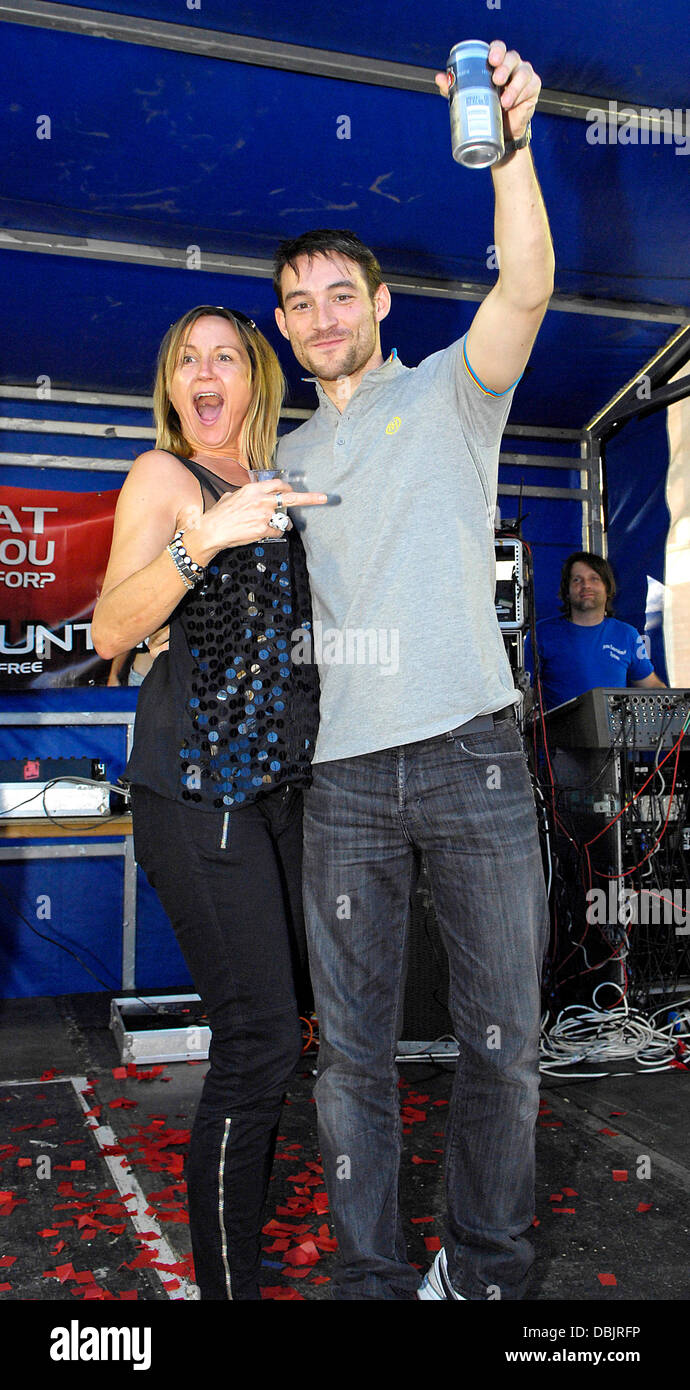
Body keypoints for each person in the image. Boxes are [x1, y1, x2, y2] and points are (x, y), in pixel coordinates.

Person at [272, 40, 553, 1300]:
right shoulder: (273, 456)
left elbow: (530, 285)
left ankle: (484, 1268)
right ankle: (377, 1279)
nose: (320, 316)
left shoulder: (450, 394)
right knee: (352, 1059)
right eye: (298, 303)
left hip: (473, 753)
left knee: (510, 1046)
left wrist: (517, 146)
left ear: (379, 303)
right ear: (285, 325)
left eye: (341, 293)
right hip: (344, 782)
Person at [92, 305, 327, 1300]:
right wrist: (200, 543)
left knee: (280, 1033)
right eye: (185, 356)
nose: (204, 370)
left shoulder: (273, 486)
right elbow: (110, 625)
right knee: (260, 1037)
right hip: (199, 787)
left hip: (275, 793)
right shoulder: (167, 476)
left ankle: (234, 1251)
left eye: (224, 355)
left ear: (254, 380)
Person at [525, 551, 666, 710]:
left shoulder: (628, 635)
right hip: (559, 732)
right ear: (567, 591)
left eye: (594, 578)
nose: (586, 585)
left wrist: (678, 708)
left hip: (614, 733)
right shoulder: (541, 634)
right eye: (577, 580)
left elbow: (651, 685)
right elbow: (524, 691)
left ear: (608, 588)